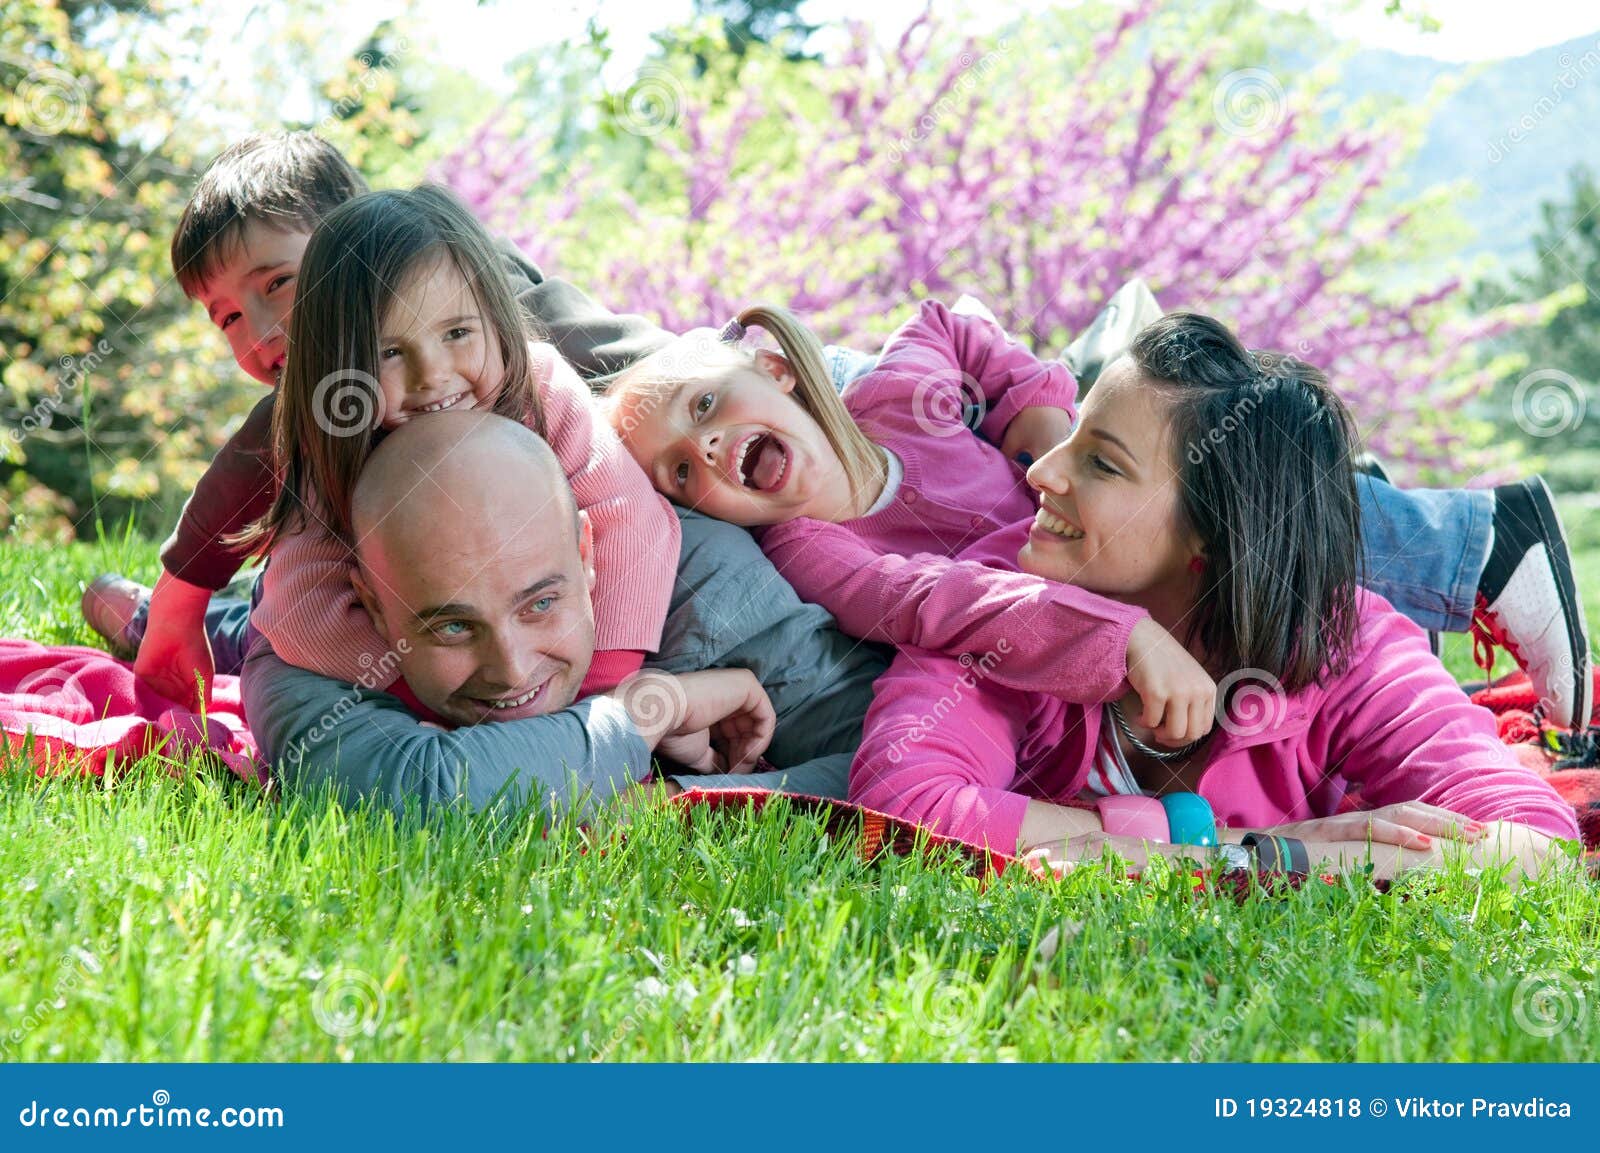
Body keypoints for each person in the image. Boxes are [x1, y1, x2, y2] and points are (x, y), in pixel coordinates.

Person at [603, 300, 1593, 729]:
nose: (707, 451)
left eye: (706, 406)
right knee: (1239, 579)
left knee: (1213, 485)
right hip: (1083, 581)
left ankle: (1477, 544)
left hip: (1098, 517)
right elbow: (943, 602)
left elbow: (955, 326)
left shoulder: (895, 392)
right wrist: (1120, 640)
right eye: (681, 474)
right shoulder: (816, 554)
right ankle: (1395, 537)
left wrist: (1039, 422)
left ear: (777, 368)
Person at [846, 313, 1579, 886]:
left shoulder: (1347, 642)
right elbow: (901, 807)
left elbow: (1536, 845)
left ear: (1215, 535)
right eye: (1072, 437)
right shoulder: (1003, 595)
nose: (1041, 472)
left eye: (1101, 463)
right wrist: (1246, 849)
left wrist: (1237, 860)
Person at [80, 132, 675, 705]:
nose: (260, 332)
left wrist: (597, 685)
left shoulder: (490, 309)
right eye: (229, 318)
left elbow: (606, 362)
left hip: (533, 600)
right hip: (372, 619)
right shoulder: (327, 418)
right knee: (255, 633)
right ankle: (144, 616)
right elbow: (271, 542)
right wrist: (178, 600)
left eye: (279, 283)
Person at [242, 411, 887, 815]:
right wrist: (645, 712)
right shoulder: (303, 641)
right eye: (453, 626)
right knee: (229, 628)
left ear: (586, 553)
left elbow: (887, 766)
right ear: (372, 607)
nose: (511, 669)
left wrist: (663, 806)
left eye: (541, 604)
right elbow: (414, 801)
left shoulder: (702, 576)